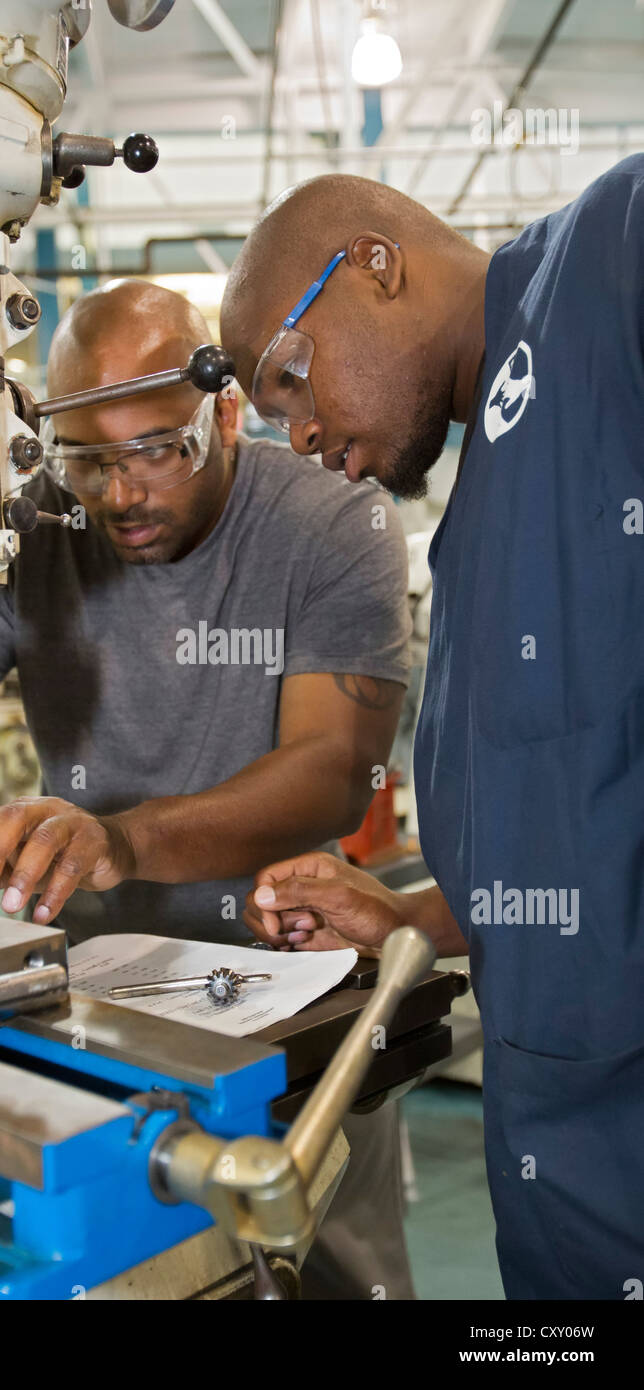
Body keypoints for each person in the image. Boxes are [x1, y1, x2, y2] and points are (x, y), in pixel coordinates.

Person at [0, 278, 414, 1298]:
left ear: (223, 410)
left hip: (289, 990)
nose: (122, 493)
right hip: (90, 994)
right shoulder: (39, 524)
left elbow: (329, 770)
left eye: (154, 450)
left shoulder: (330, 521)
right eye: (88, 458)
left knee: (326, 1266)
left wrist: (120, 840)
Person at [220, 157, 644, 1300]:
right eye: (273, 419)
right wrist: (412, 913)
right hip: (566, 1204)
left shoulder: (610, 256)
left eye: (293, 382)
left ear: (374, 264)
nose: (300, 436)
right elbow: (587, 825)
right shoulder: (473, 542)